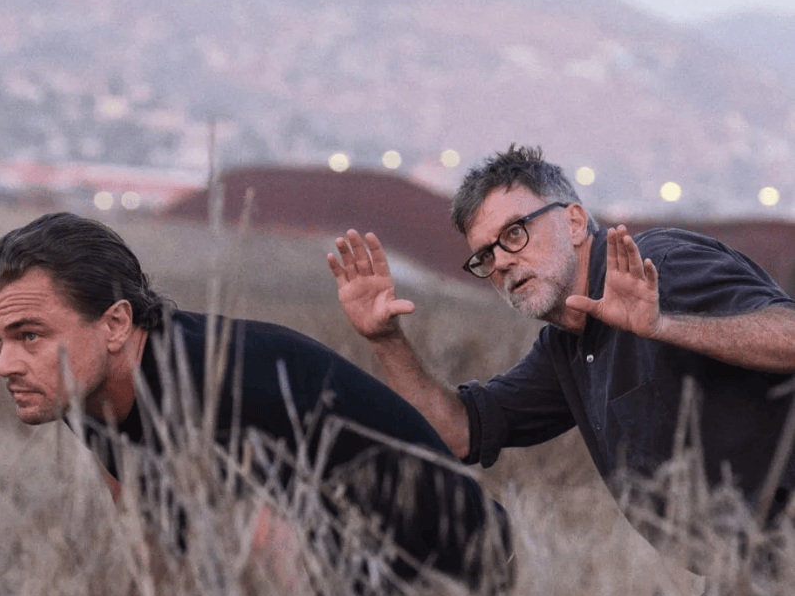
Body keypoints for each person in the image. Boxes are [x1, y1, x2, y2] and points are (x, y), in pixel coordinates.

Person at [0, 211, 512, 594]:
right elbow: (146, 536)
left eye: (30, 336)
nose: (5, 365)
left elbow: (277, 591)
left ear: (116, 323)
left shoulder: (208, 384)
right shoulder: (87, 383)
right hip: (344, 572)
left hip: (459, 577)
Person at [327, 145, 795, 542]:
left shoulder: (657, 266)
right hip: (745, 571)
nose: (501, 263)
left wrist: (663, 326)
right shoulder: (565, 347)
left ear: (573, 222)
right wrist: (386, 338)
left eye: (514, 233)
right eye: (485, 255)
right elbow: (458, 432)